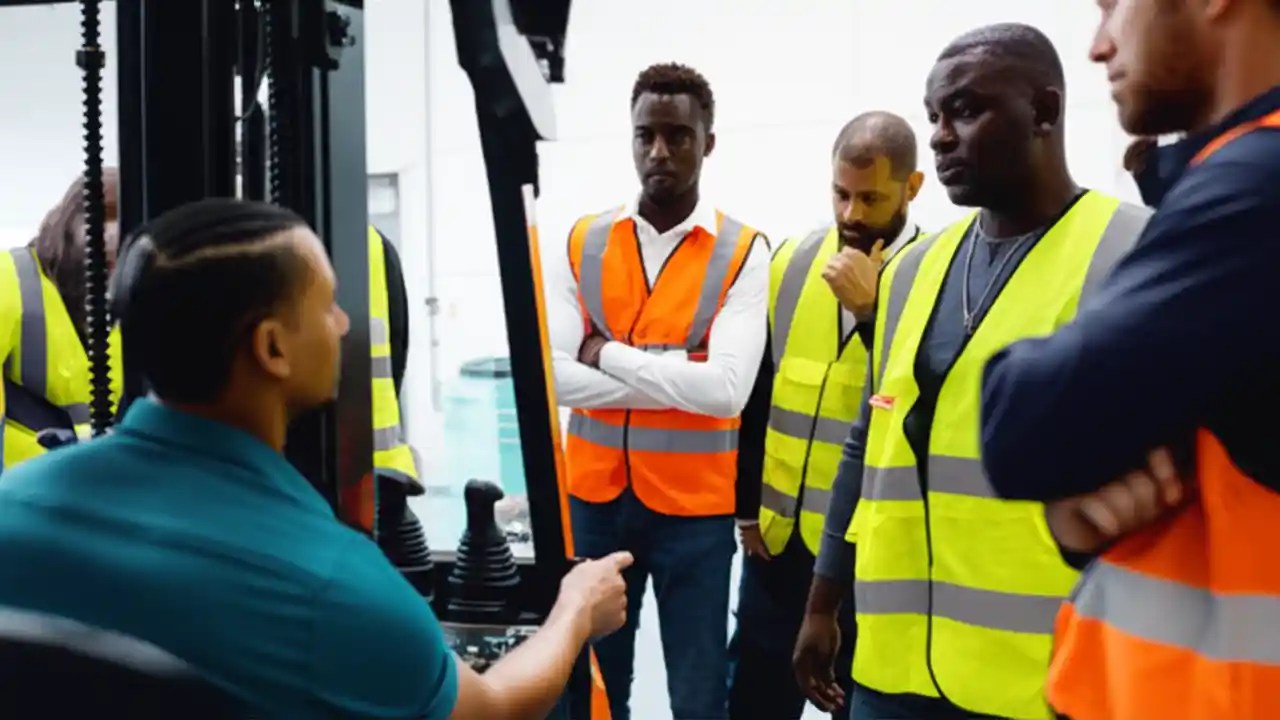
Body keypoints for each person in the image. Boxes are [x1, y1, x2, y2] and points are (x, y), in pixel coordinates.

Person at [0, 198, 632, 720]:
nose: (344, 324)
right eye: (327, 304)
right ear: (273, 347)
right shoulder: (333, 590)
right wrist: (576, 610)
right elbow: (492, 708)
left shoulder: (13, 509)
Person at [806, 24, 1152, 720]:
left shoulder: (1132, 256)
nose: (938, 136)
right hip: (893, 667)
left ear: (1046, 113)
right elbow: (865, 445)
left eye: (965, 110)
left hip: (1045, 676)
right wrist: (823, 601)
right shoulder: (908, 272)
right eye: (934, 115)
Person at [978, 0, 1280, 718]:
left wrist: (1069, 439)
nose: (1099, 45)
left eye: (1116, 6)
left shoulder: (1259, 185)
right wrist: (1094, 513)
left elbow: (1023, 424)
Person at [546, 62, 768, 720]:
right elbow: (554, 374)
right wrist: (677, 375)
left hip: (694, 514)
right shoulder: (584, 242)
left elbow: (726, 391)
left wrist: (608, 353)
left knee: (698, 699)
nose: (659, 151)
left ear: (708, 142)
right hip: (593, 500)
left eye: (678, 135)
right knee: (589, 685)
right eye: (646, 135)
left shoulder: (742, 252)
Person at [729, 111, 925, 720]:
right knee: (753, 701)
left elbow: (921, 404)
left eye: (871, 198)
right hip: (777, 542)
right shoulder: (792, 260)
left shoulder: (932, 273)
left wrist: (872, 316)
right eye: (841, 193)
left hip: (866, 559)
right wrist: (745, 509)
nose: (852, 215)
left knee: (855, 703)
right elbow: (759, 395)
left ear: (912, 188)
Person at [0, 169, 123, 468]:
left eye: (122, 220)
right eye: (98, 217)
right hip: (19, 498)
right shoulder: (9, 281)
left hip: (107, 487)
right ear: (64, 223)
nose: (110, 235)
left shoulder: (143, 301)